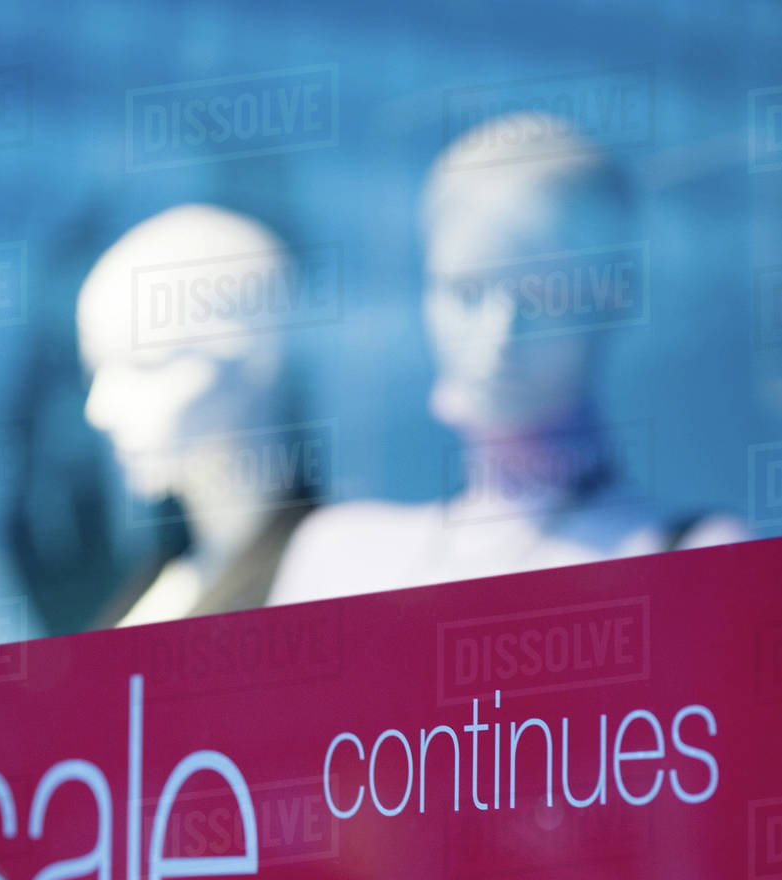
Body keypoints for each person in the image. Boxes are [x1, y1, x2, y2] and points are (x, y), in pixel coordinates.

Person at [269, 113, 745, 606]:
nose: (498, 338)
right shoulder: (339, 554)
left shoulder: (694, 562)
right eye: (466, 292)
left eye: (542, 297)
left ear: (611, 301)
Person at [77, 203, 312, 626]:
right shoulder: (164, 580)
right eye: (96, 369)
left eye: (147, 363)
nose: (99, 410)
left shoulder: (321, 581)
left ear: (257, 360)